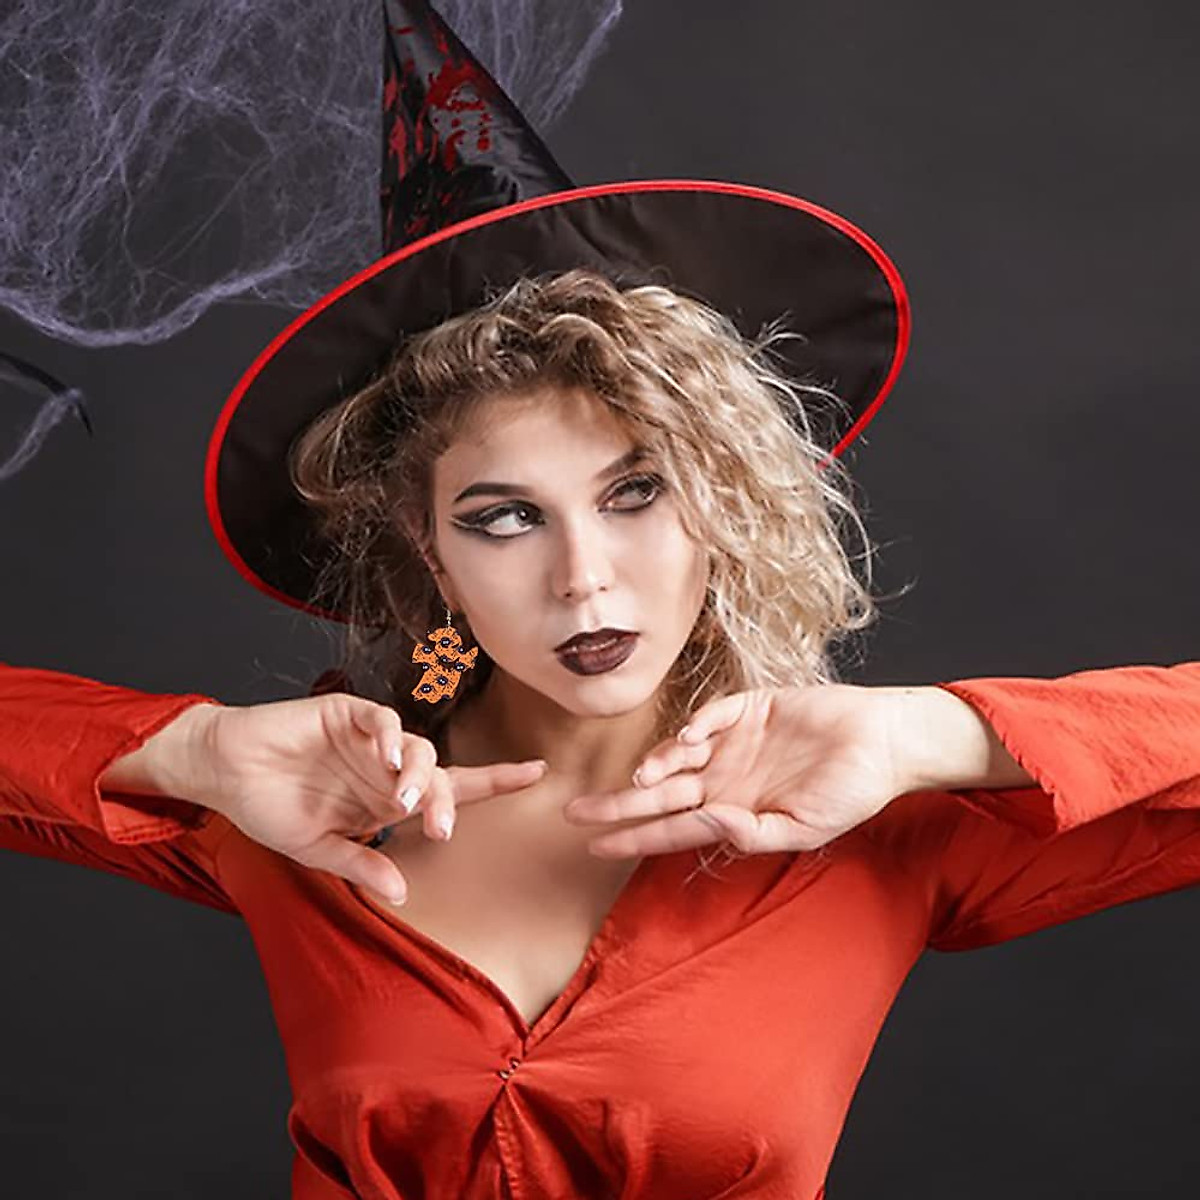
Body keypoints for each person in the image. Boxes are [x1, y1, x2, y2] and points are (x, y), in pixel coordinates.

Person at [2, 3, 1198, 1198]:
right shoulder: (308, 809)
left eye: (637, 493)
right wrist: (194, 751)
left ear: (723, 501)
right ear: (429, 552)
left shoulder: (875, 823)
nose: (583, 575)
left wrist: (934, 734)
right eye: (505, 518)